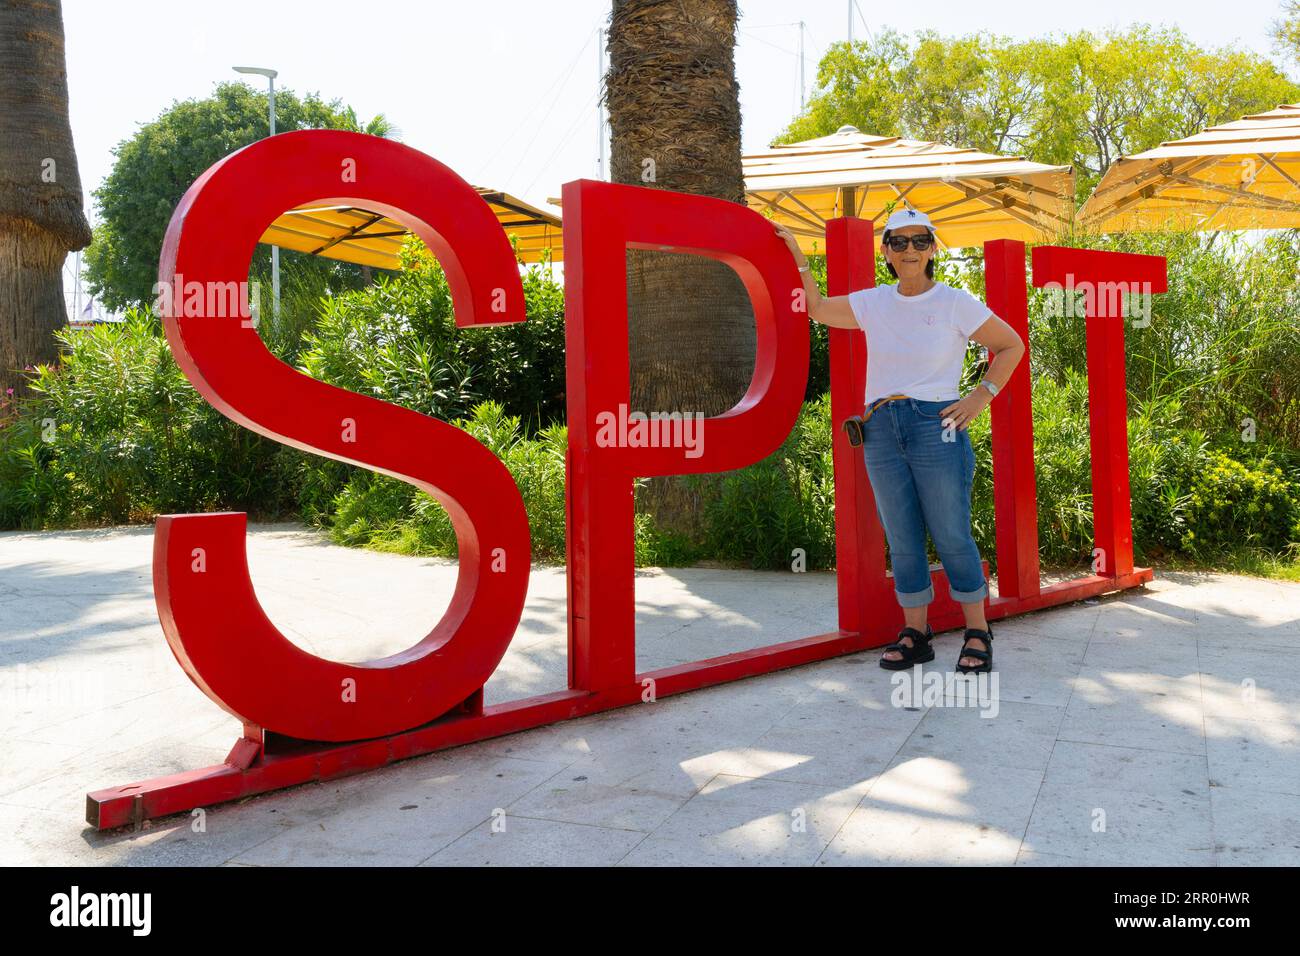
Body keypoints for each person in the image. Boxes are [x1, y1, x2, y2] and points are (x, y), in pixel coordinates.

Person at [776, 209, 1025, 673]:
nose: (909, 250)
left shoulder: (955, 302)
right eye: (898, 242)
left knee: (951, 532)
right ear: (885, 251)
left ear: (932, 248)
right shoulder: (873, 302)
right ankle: (916, 634)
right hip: (881, 426)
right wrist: (798, 257)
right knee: (903, 538)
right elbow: (818, 309)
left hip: (938, 423)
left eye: (918, 241)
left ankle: (978, 631)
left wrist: (979, 396)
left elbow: (1011, 344)